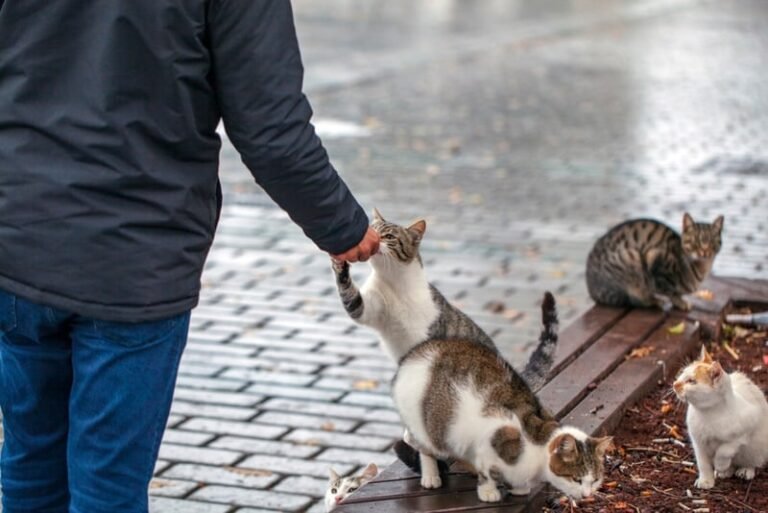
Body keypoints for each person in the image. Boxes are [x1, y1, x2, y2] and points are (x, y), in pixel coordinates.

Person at [0, 1, 379, 512]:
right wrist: (341, 226)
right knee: (106, 488)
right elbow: (269, 127)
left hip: (19, 238)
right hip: (134, 260)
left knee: (30, 462)